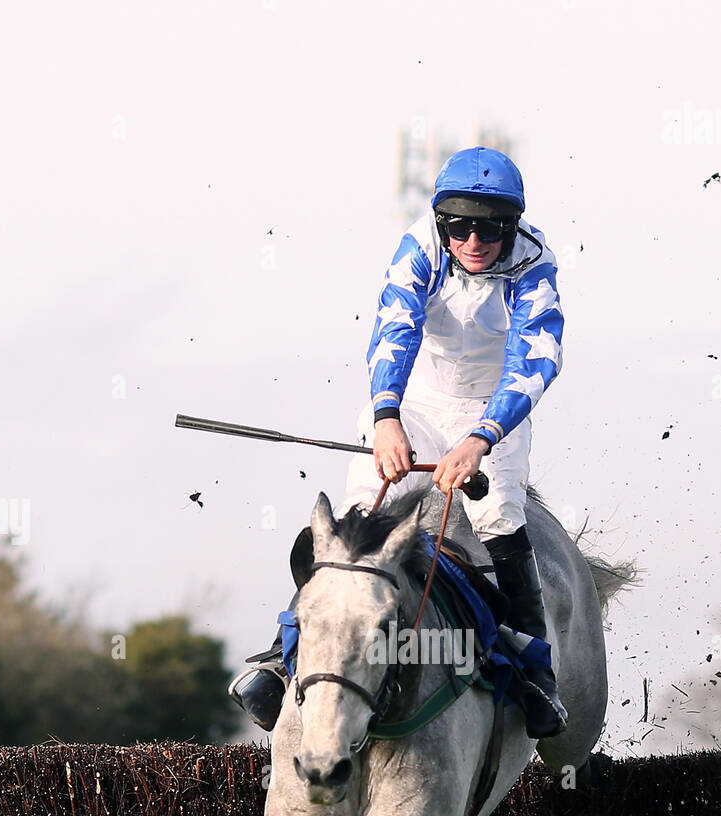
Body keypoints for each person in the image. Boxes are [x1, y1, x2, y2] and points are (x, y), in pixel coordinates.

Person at [231, 145, 568, 739]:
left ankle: (535, 671)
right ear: (441, 220)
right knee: (359, 521)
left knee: (500, 516)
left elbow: (534, 358)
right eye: (459, 224)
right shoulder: (420, 247)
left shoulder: (534, 263)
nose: (474, 239)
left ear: (511, 226)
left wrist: (482, 438)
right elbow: (394, 330)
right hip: (414, 399)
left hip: (493, 411)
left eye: (490, 227)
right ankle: (283, 656)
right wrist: (387, 416)